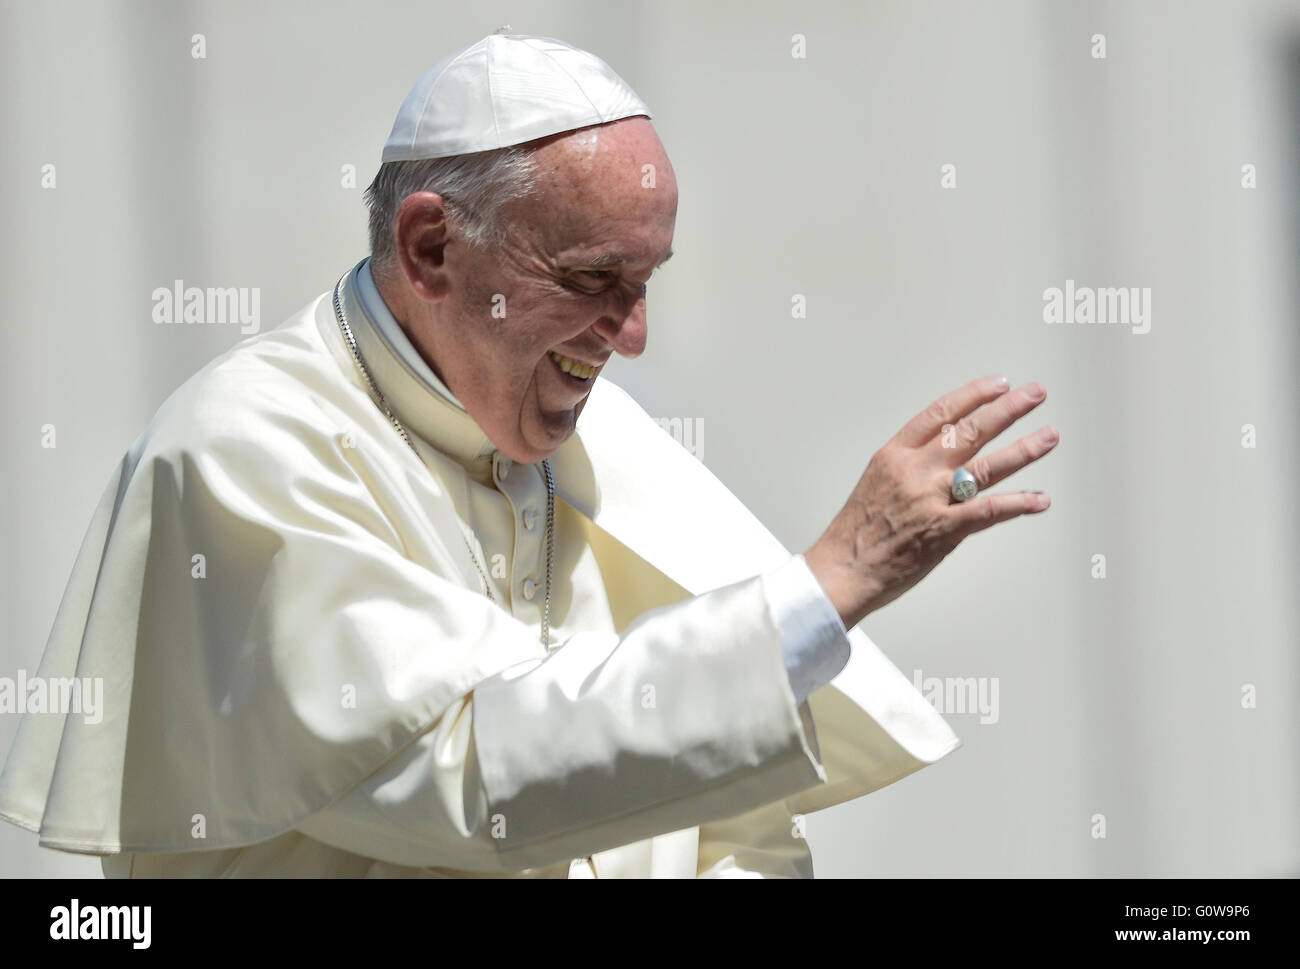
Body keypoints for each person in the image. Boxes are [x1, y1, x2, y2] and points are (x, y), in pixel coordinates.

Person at [0, 31, 1057, 878]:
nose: (631, 334)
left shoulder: (607, 438)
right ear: (429, 249)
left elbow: (735, 820)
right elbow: (464, 773)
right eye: (597, 280)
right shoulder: (245, 444)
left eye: (647, 284)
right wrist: (833, 581)